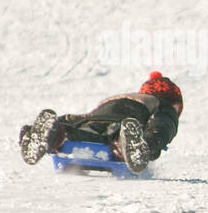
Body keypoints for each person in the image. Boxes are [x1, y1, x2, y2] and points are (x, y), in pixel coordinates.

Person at [19, 71, 183, 174]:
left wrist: (61, 122)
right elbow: (161, 127)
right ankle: (133, 149)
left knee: (71, 132)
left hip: (92, 122)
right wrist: (151, 142)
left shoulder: (118, 97)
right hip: (122, 127)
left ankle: (52, 134)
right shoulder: (163, 105)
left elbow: (84, 117)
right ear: (174, 103)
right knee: (141, 136)